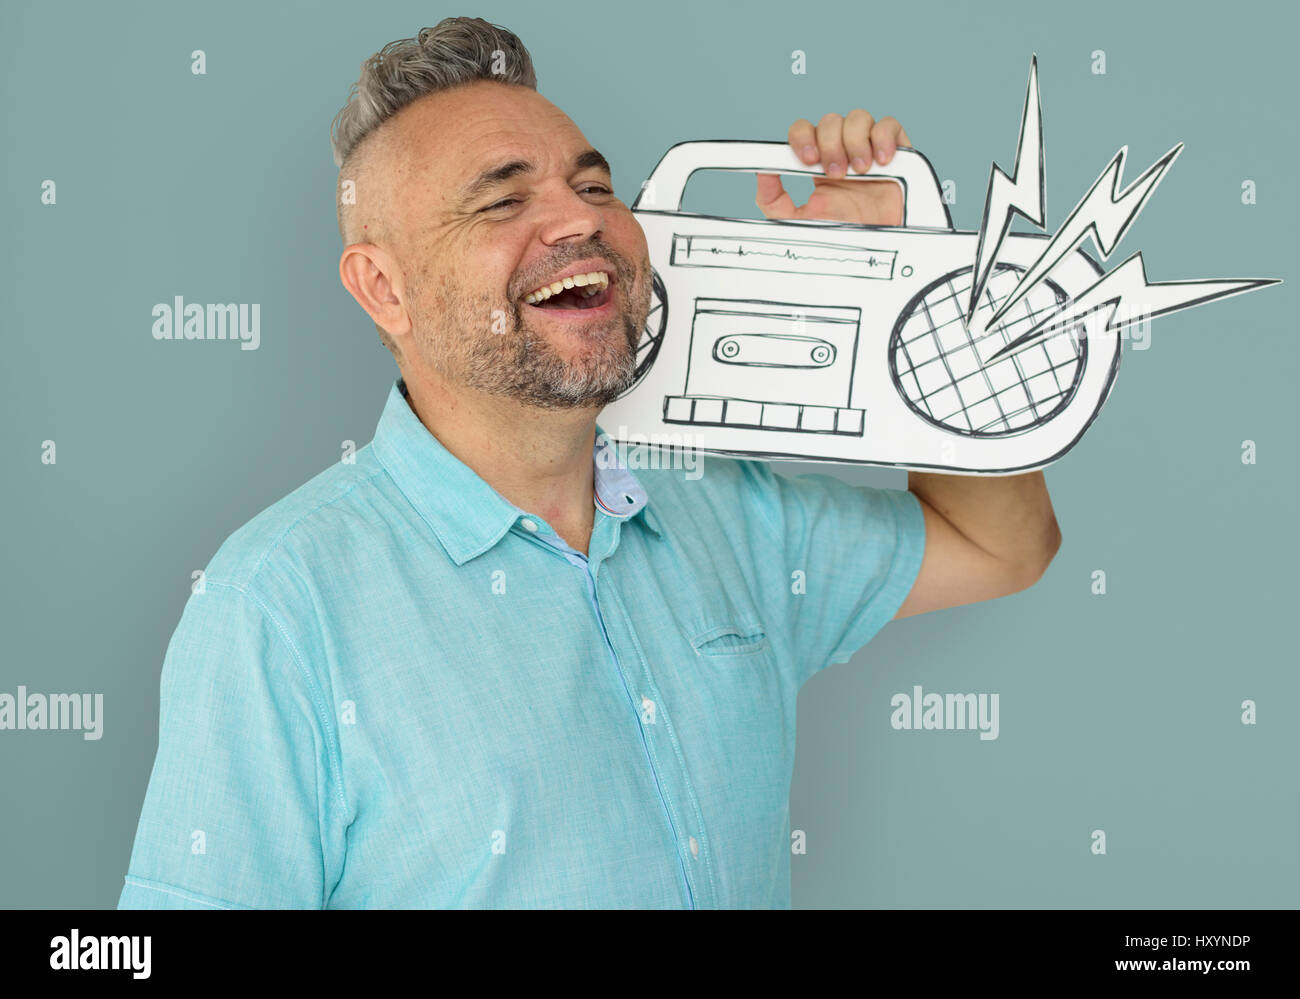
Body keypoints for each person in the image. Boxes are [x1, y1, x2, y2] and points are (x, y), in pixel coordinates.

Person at [117, 17, 1060, 909]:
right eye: (503, 198)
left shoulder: (728, 513)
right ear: (383, 288)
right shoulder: (276, 607)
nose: (581, 220)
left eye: (597, 186)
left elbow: (1000, 545)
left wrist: (920, 277)